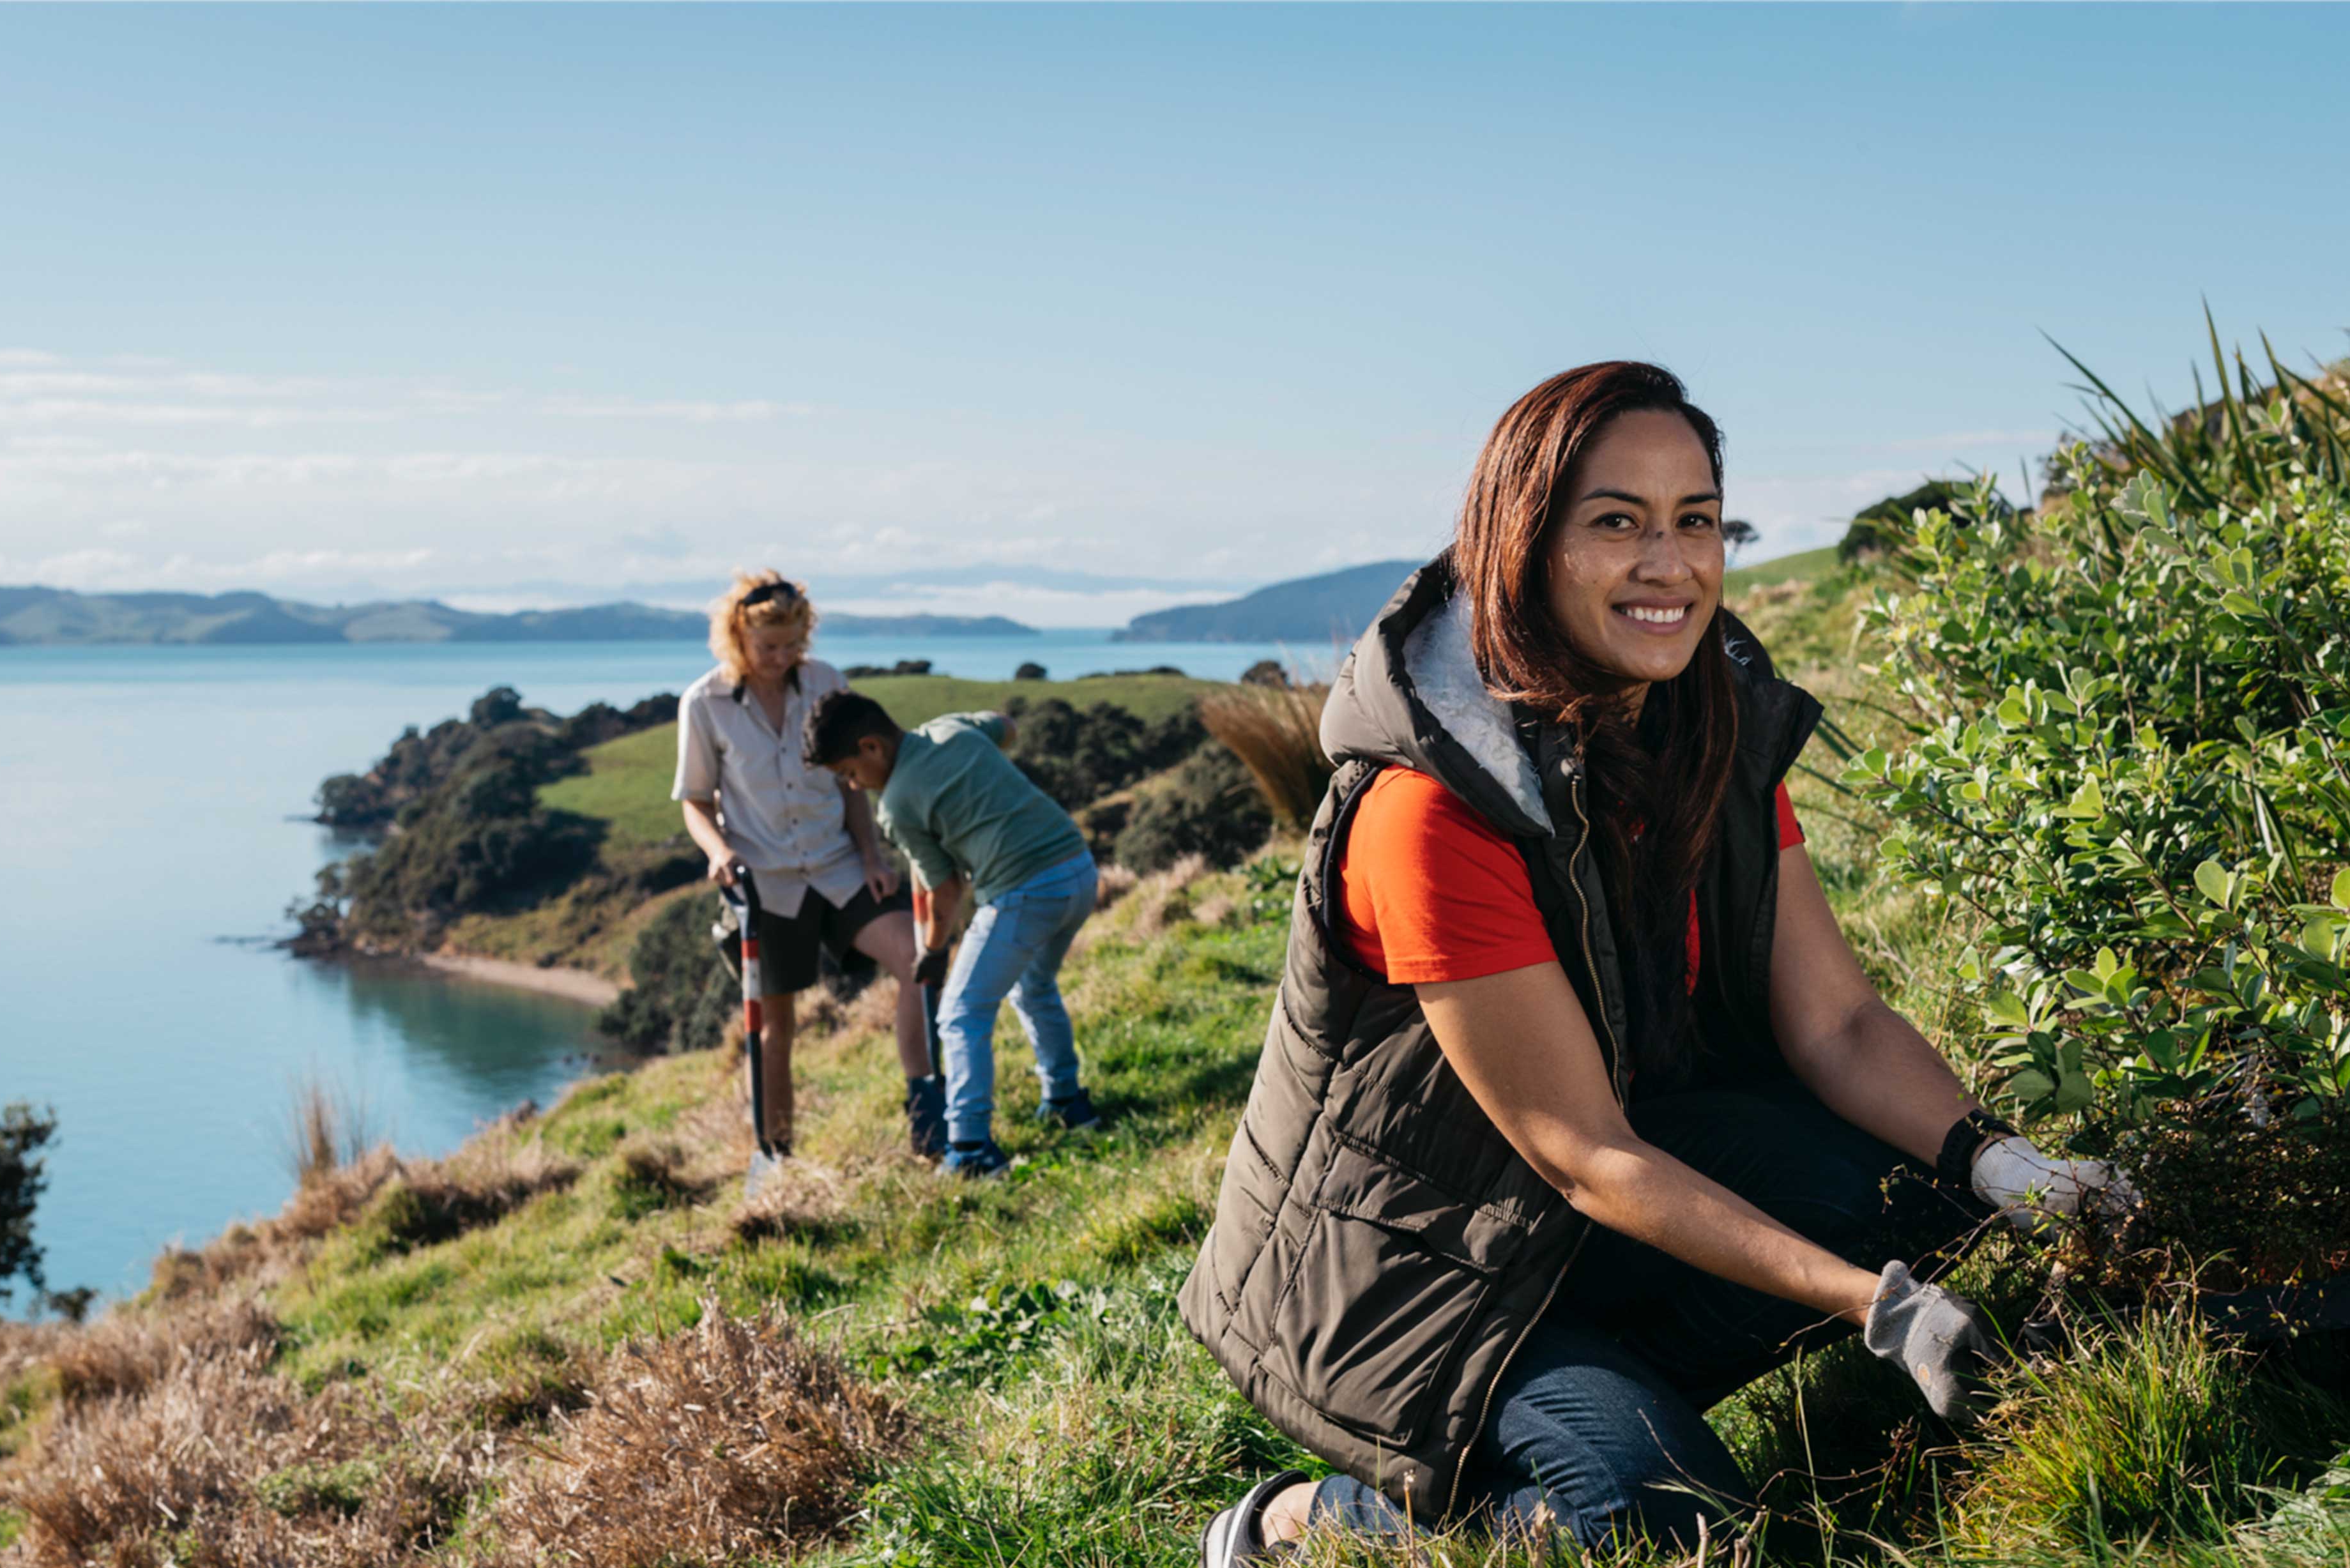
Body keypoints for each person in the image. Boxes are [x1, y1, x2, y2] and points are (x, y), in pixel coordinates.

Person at [1182, 363, 2139, 1563]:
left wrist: (2004, 1164)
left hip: (1592, 1223)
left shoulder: (1706, 730)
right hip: (1420, 1280)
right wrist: (1869, 1306)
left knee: (1918, 1186)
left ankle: (1611, 1398)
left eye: (1696, 520)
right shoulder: (1429, 809)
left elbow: (1835, 1025)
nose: (1669, 562)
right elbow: (1583, 1152)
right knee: (1665, 1525)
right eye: (1614, 523)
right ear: (1522, 544)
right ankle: (1316, 1519)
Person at [673, 570, 940, 1162]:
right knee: (777, 1029)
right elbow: (694, 800)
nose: (782, 658)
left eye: (794, 644)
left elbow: (850, 780)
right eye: (769, 647)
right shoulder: (703, 703)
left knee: (919, 962)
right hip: (762, 881)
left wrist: (873, 855)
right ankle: (778, 1157)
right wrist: (719, 854)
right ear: (737, 636)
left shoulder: (825, 683)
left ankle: (929, 1119)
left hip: (840, 864)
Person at [804, 691, 1108, 1178]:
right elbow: (1007, 725)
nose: (853, 785)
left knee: (961, 1013)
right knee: (1035, 986)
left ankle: (970, 1149)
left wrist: (933, 950)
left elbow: (946, 888)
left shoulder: (898, 803)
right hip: (1077, 870)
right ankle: (1068, 1102)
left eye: (849, 772)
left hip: (1023, 891)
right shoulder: (951, 728)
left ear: (872, 747)